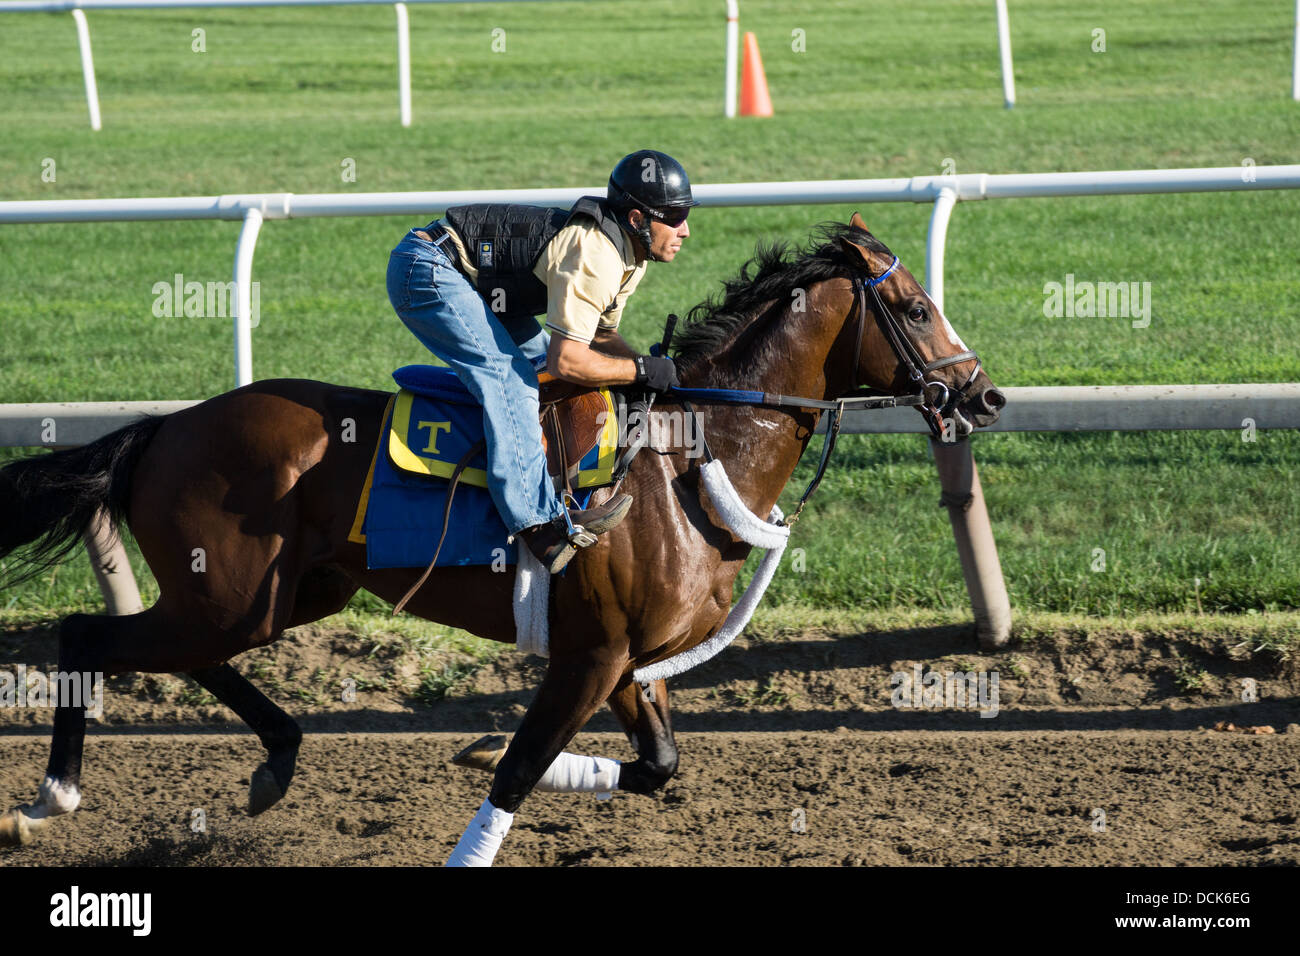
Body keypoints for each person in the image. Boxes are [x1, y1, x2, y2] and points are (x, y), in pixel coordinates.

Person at [386, 149, 695, 574]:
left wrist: (648, 372)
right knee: (512, 383)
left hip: (484, 287)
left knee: (547, 377)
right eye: (675, 217)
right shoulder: (598, 254)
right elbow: (569, 359)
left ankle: (553, 482)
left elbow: (601, 338)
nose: (686, 230)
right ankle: (535, 523)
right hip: (428, 268)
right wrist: (641, 370)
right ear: (639, 219)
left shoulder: (630, 255)